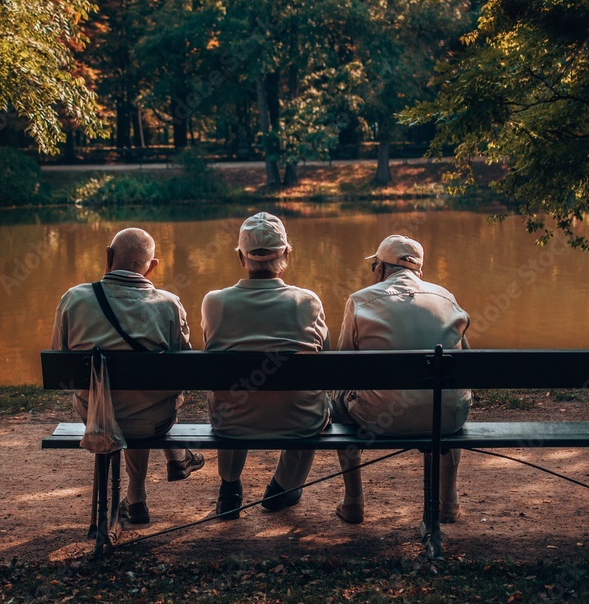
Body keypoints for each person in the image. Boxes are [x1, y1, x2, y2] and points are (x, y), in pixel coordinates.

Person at [51, 227, 203, 524]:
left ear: (108, 256)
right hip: (154, 421)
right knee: (147, 402)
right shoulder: (169, 304)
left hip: (94, 416)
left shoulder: (74, 299)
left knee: (124, 402)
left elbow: (59, 356)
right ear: (152, 266)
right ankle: (145, 487)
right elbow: (183, 368)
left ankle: (139, 496)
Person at [331, 235, 472, 524]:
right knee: (449, 395)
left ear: (381, 269)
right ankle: (448, 503)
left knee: (338, 398)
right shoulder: (447, 298)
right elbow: (465, 363)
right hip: (447, 419)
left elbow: (344, 366)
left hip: (379, 419)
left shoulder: (360, 300)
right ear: (419, 271)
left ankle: (354, 501)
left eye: (374, 266)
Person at [201, 212, 330, 519]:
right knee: (309, 402)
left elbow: (212, 349)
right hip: (299, 421)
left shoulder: (214, 302)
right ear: (287, 255)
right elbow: (323, 358)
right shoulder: (308, 301)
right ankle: (283, 488)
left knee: (232, 394)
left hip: (233, 422)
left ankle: (229, 491)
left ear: (240, 257)